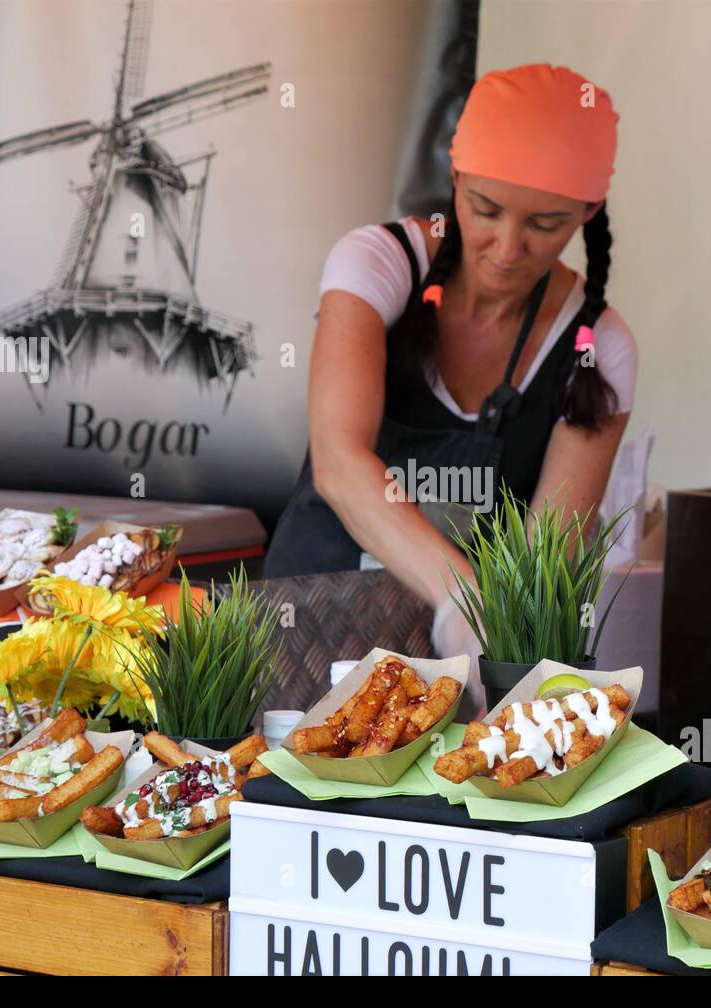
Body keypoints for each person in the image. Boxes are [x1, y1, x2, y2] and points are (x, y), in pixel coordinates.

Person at [265, 64, 637, 669]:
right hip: (309, 629)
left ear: (589, 210)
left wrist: (494, 634)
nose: (508, 248)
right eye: (485, 209)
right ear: (456, 176)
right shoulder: (378, 264)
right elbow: (338, 460)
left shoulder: (602, 346)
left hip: (466, 659)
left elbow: (545, 562)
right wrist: (459, 597)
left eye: (546, 224)